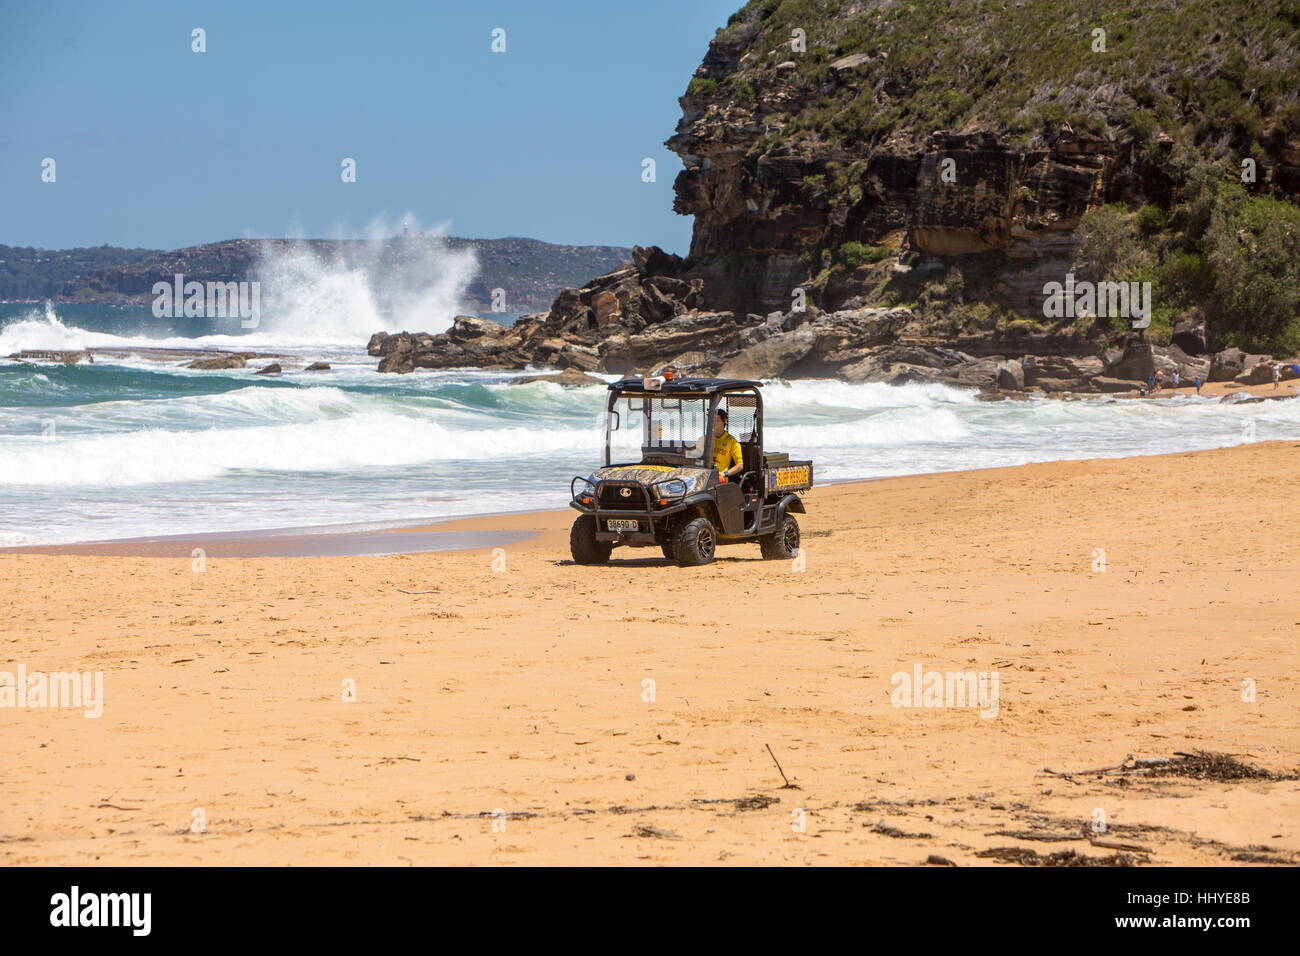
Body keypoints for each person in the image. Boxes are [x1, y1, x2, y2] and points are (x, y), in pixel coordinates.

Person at [712, 408, 743, 483]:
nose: (713, 423)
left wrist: (724, 474)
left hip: (719, 478)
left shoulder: (732, 442)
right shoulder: (705, 438)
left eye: (716, 420)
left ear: (724, 421)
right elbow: (694, 455)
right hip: (704, 475)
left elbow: (740, 465)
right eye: (711, 420)